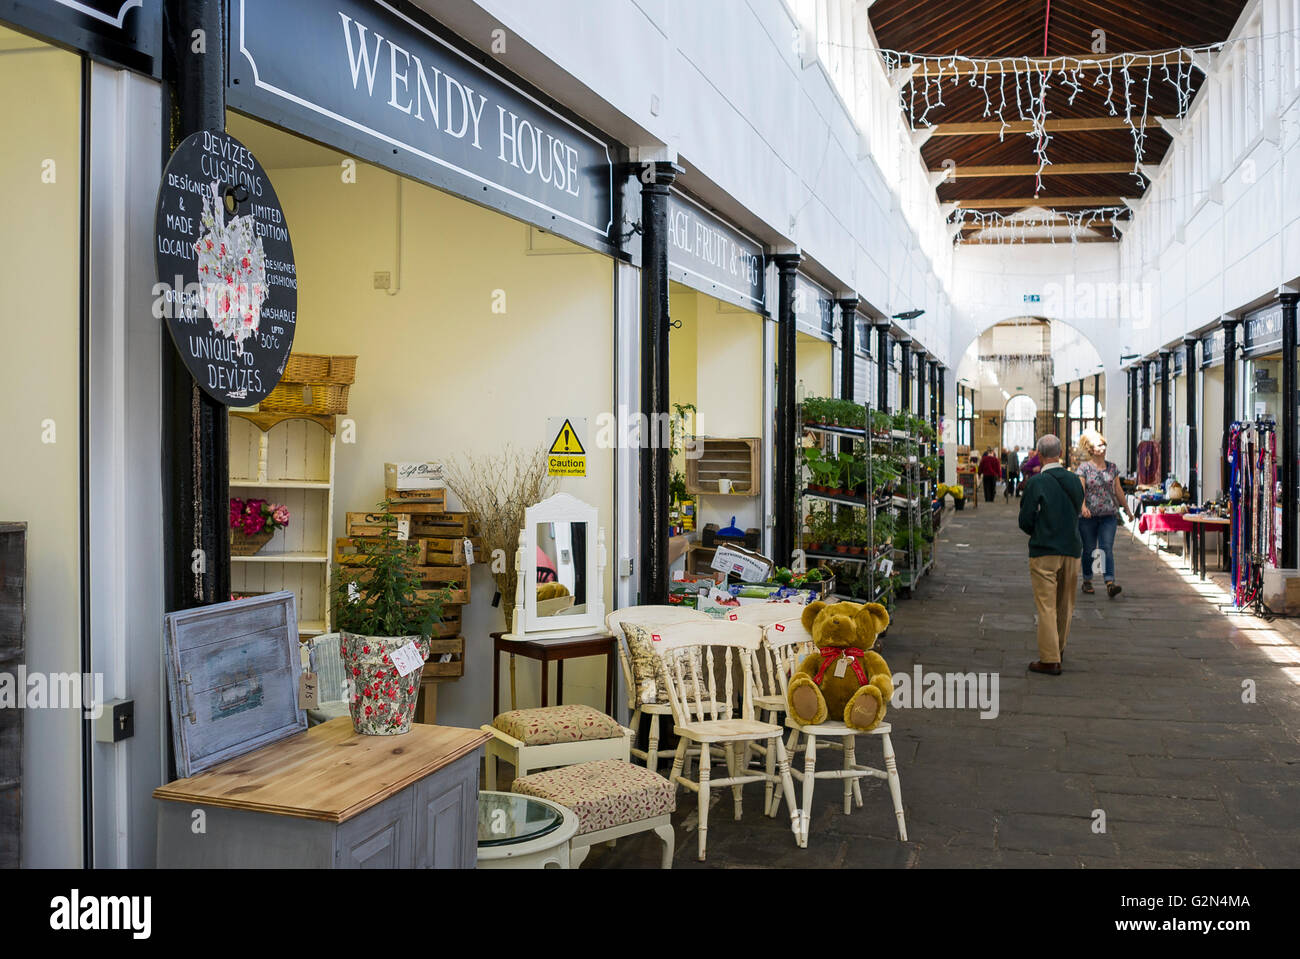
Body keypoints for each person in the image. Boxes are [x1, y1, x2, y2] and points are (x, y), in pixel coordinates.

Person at [1017, 435, 1083, 675]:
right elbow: (1077, 509)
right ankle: (1060, 648)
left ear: (1038, 453)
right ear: (1061, 451)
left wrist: (1039, 530)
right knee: (1065, 604)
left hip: (1045, 550)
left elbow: (1025, 519)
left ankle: (1049, 658)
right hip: (1072, 549)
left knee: (1046, 605)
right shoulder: (1075, 480)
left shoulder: (1037, 482)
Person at [1076, 429, 1134, 599]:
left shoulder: (1112, 468)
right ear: (1091, 449)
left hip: (1108, 515)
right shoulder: (1084, 468)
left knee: (1106, 548)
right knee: (1089, 550)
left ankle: (1109, 582)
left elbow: (1118, 490)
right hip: (1088, 516)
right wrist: (1083, 507)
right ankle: (1087, 579)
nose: (1102, 448)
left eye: (1103, 444)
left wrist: (1127, 510)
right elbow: (1080, 490)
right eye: (1098, 445)